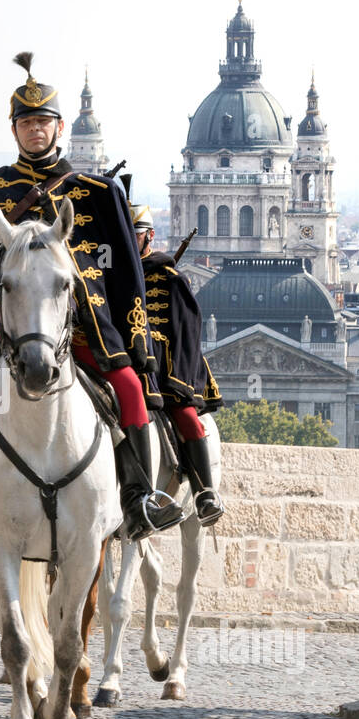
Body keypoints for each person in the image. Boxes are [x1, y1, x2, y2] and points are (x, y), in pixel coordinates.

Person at [0, 53, 184, 546]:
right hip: (5, 316)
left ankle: (140, 498)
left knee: (132, 391)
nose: (35, 131)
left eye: (43, 122)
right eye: (26, 123)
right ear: (14, 131)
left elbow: (128, 275)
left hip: (85, 321)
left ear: (60, 127)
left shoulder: (99, 191)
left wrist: (136, 338)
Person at [128, 187, 224, 525]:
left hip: (166, 370)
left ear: (149, 237)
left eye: (134, 234)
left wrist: (155, 352)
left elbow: (185, 334)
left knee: (185, 419)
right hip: (127, 366)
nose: (128, 241)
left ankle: (205, 494)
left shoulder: (170, 279)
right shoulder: (117, 280)